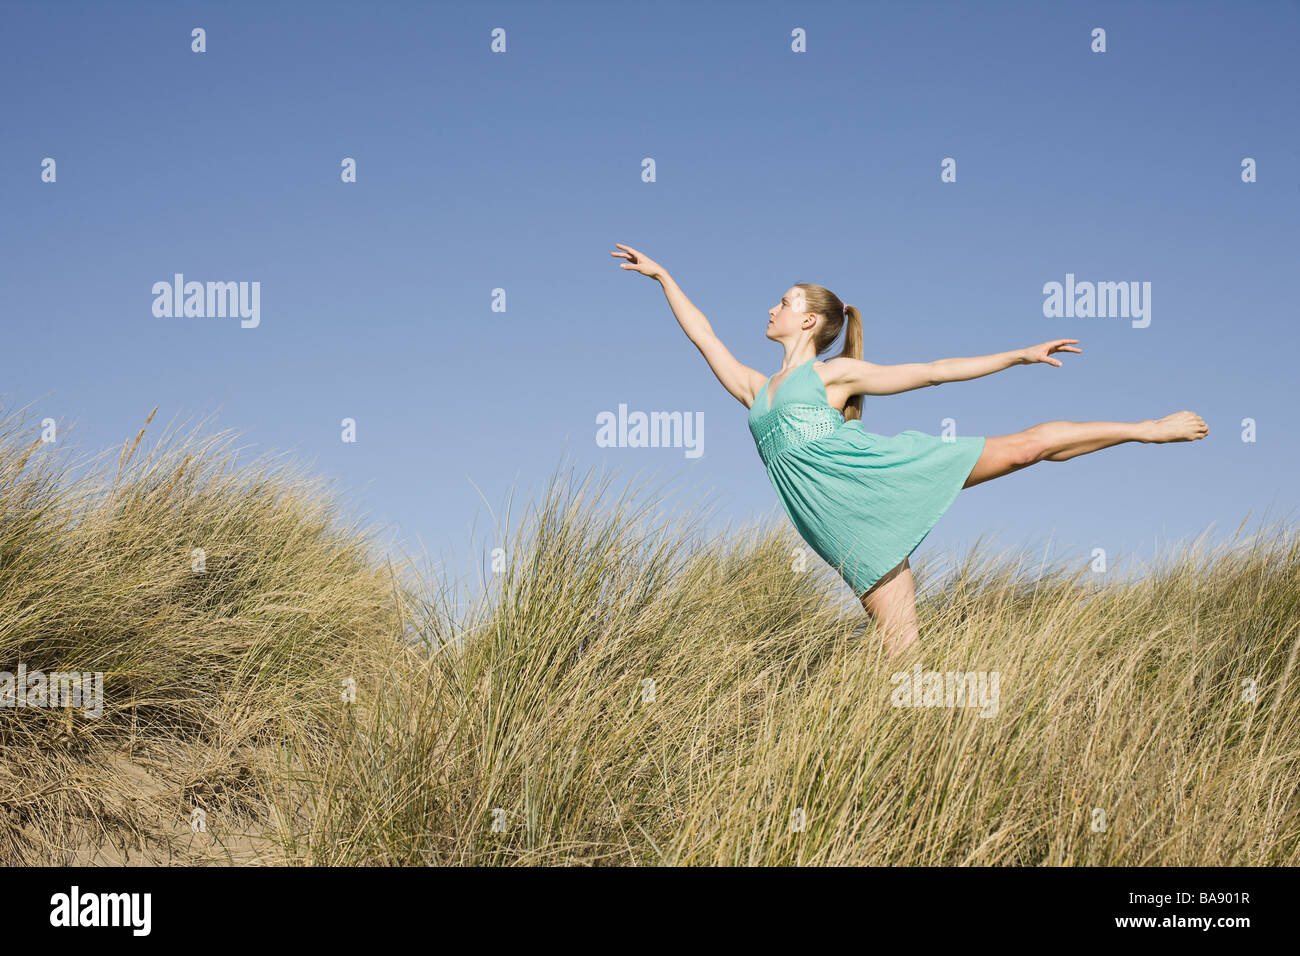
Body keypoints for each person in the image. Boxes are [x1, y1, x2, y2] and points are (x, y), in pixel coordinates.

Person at [611, 244, 1208, 657]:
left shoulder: (834, 375)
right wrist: (663, 277)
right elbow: (703, 334)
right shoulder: (754, 389)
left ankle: (1146, 429)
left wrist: (1017, 355)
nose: (773, 307)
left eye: (785, 301)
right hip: (842, 526)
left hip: (882, 478)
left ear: (811, 320)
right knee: (903, 655)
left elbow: (933, 372)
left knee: (1023, 449)